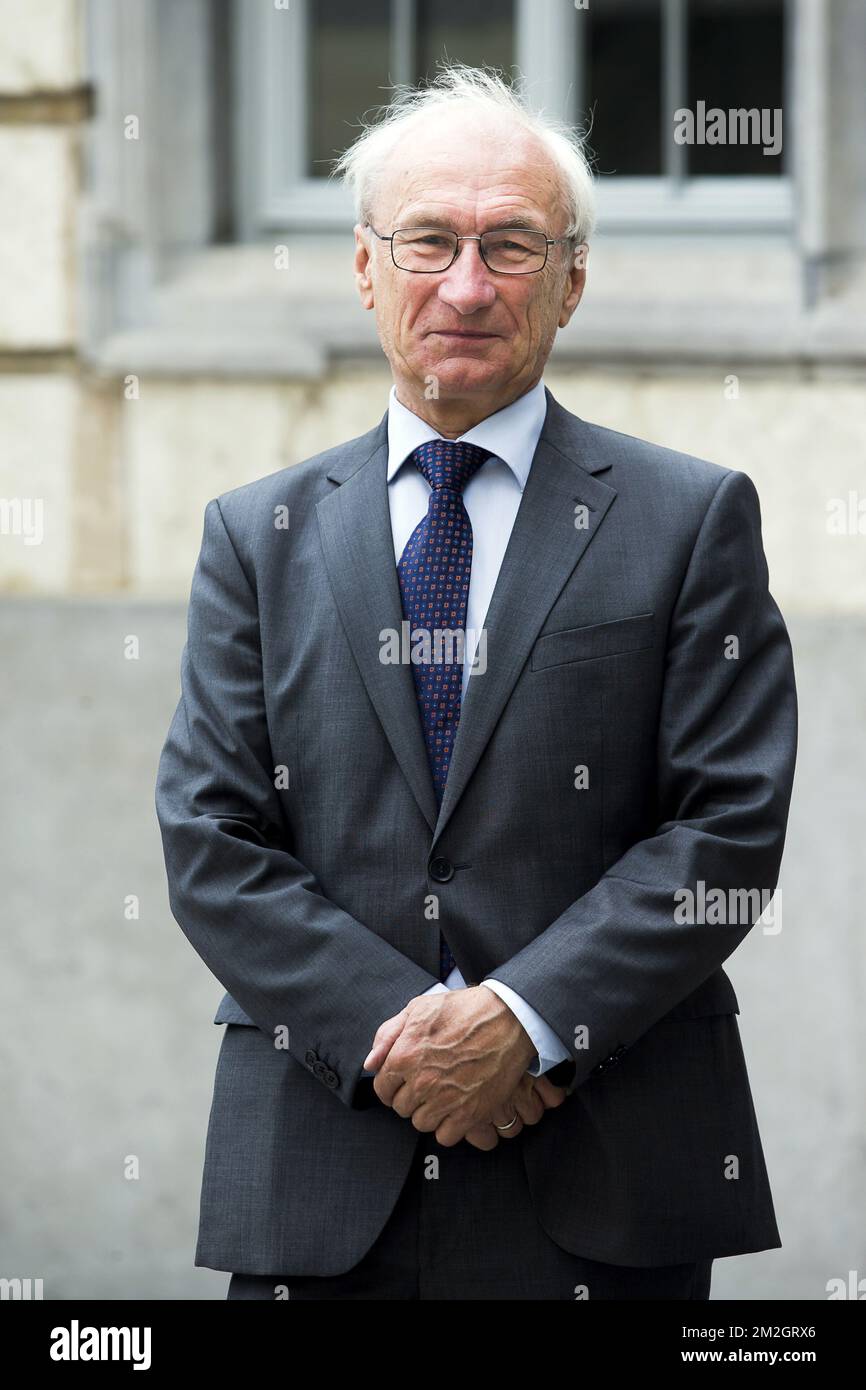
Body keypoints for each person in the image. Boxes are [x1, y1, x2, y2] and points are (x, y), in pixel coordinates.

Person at [155, 65, 797, 1301]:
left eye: (509, 245)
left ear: (570, 281)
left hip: (605, 1165)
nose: (464, 284)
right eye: (428, 242)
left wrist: (520, 1021)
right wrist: (409, 1040)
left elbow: (726, 828)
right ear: (362, 269)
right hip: (321, 1172)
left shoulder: (686, 518)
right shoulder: (256, 533)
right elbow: (210, 840)